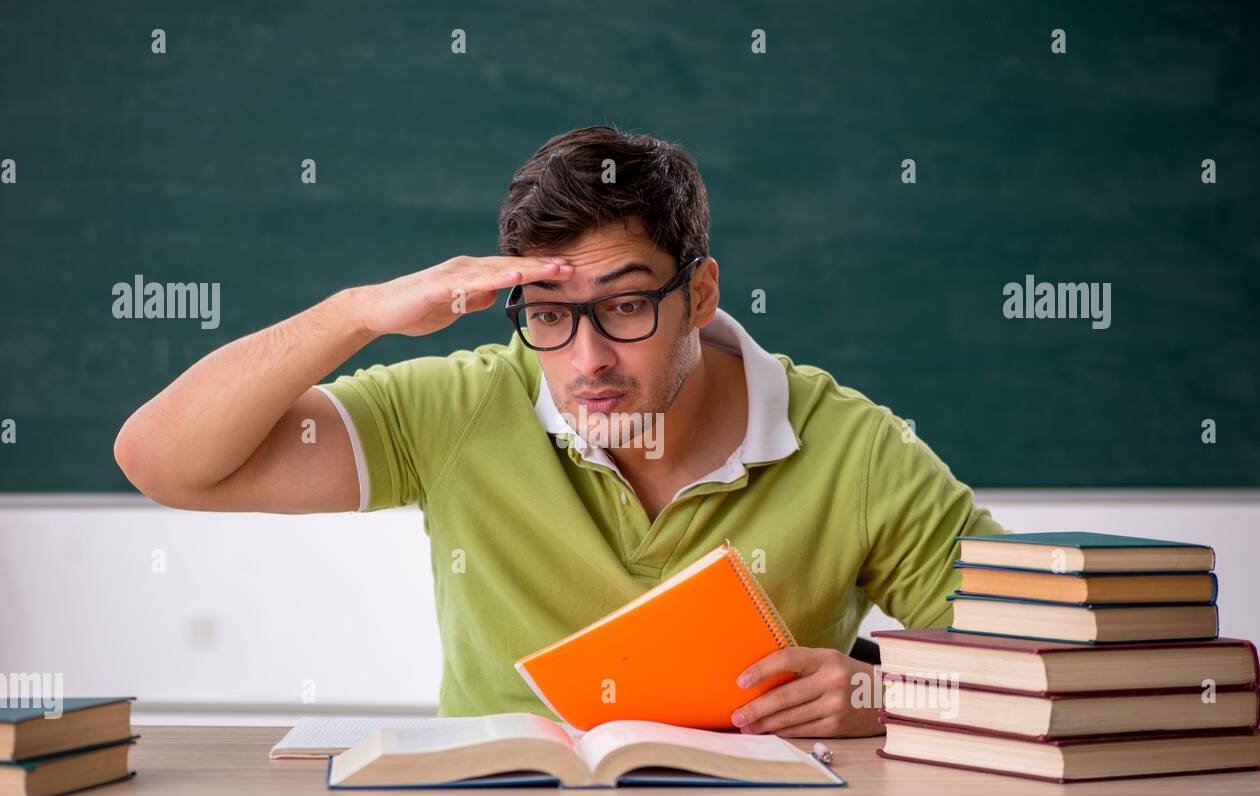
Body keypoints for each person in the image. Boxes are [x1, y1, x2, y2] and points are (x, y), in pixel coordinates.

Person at [114, 125, 1006, 738]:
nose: (587, 361)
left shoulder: (855, 449)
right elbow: (164, 461)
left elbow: (1056, 668)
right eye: (546, 313)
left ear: (699, 293)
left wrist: (893, 693)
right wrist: (360, 312)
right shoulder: (460, 408)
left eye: (623, 306)